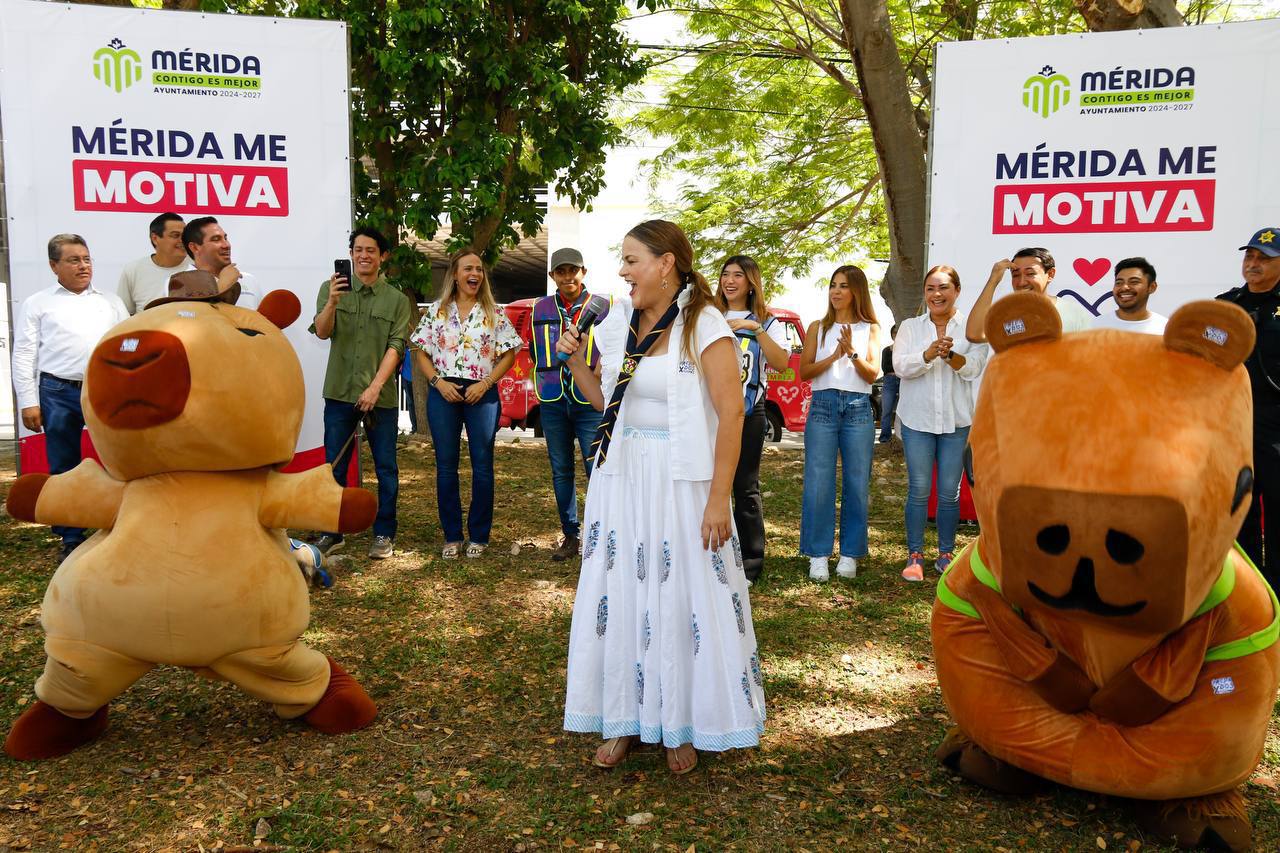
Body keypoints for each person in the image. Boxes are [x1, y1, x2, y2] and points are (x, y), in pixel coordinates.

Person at [558, 219, 764, 776]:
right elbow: (611, 401)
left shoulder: (706, 323)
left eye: (631, 261)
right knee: (622, 592)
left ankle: (681, 722)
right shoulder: (621, 320)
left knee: (679, 597)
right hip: (623, 476)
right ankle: (624, 721)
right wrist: (576, 362)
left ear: (666, 263)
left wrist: (720, 498)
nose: (622, 273)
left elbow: (732, 413)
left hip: (682, 481)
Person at [11, 234, 129, 561]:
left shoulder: (111, 302)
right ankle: (71, 537)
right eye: (73, 260)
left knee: (120, 459)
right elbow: (23, 355)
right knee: (64, 465)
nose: (83, 266)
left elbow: (127, 345)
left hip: (104, 389)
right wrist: (28, 401)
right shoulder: (38, 303)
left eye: (87, 259)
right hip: (57, 392)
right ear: (54, 266)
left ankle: (122, 525)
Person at [410, 249, 521, 558]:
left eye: (479, 269)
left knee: (482, 466)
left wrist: (485, 384)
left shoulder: (493, 312)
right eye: (468, 269)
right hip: (443, 391)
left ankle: (479, 537)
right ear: (455, 275)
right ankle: (452, 536)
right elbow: (419, 351)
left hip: (481, 393)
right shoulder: (436, 311)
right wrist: (437, 382)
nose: (475, 274)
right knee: (446, 467)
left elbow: (509, 353)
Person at [309, 226, 412, 559]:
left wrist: (375, 386)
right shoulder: (331, 288)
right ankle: (331, 532)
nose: (363, 255)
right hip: (339, 392)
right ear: (350, 254)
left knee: (386, 467)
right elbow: (322, 332)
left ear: (382, 256)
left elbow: (396, 346)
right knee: (334, 467)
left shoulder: (395, 300)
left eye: (371, 250)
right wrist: (333, 303)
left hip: (378, 397)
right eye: (358, 249)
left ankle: (384, 532)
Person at [891, 265, 986, 582]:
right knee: (918, 490)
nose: (937, 294)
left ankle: (946, 554)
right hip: (917, 421)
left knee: (949, 492)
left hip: (957, 423)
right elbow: (900, 366)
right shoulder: (910, 327)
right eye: (931, 288)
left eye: (943, 287)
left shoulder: (970, 328)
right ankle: (914, 555)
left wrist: (951, 357)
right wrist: (929, 354)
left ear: (956, 291)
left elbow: (973, 368)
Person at [798, 266, 881, 582]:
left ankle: (849, 554)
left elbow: (872, 374)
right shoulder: (817, 327)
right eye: (833, 285)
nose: (835, 291)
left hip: (858, 408)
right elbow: (805, 371)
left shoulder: (870, 327)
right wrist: (834, 356)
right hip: (823, 405)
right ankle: (818, 554)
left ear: (856, 291)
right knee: (819, 482)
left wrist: (852, 352)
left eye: (843, 286)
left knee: (857, 482)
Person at [531, 247, 608, 561]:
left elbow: (614, 346)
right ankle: (571, 535)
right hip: (552, 399)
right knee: (561, 471)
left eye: (572, 271)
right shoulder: (541, 308)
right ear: (552, 276)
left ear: (583, 272)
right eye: (560, 272)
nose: (567, 277)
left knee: (597, 469)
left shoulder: (603, 307)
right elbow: (535, 349)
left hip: (588, 400)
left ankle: (601, 533)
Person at [715, 254, 788, 585]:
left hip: (748, 413)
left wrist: (754, 328)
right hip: (709, 414)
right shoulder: (708, 316)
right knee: (708, 483)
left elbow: (782, 362)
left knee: (744, 486)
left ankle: (751, 560)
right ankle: (714, 554)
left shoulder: (767, 321)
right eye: (725, 274)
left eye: (738, 275)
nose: (730, 281)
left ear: (751, 283)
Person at [1217, 226, 1280, 589]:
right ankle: (1244, 592)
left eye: (1264, 259)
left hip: (1276, 430)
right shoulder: (1228, 304)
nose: (1253, 264)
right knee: (1237, 515)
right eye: (1250, 256)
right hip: (1232, 428)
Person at [965, 248, 1093, 343]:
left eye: (1030, 273)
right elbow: (974, 334)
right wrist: (993, 281)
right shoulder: (1005, 315)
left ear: (1051, 274)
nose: (1021, 282)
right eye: (1015, 275)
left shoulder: (1074, 313)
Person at [116, 212, 189, 314]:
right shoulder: (133, 270)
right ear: (155, 238)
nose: (183, 240)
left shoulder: (199, 268)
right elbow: (124, 315)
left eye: (185, 235)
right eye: (175, 235)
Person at [183, 216, 261, 310]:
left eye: (225, 238)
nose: (226, 245)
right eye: (216, 239)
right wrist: (224, 284)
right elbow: (193, 320)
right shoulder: (178, 283)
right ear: (194, 247)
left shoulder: (249, 280)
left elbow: (261, 321)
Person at [1095, 257, 1167, 334]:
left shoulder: (1167, 329)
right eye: (1119, 283)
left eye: (1134, 282)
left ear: (1152, 287)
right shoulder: (1094, 327)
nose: (1124, 287)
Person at [878, 324, 900, 443]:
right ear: (892, 335)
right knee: (886, 410)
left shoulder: (906, 350)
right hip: (889, 381)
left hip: (903, 380)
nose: (896, 335)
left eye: (898, 333)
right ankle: (885, 438)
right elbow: (885, 367)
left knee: (903, 410)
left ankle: (900, 436)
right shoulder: (886, 350)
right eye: (894, 333)